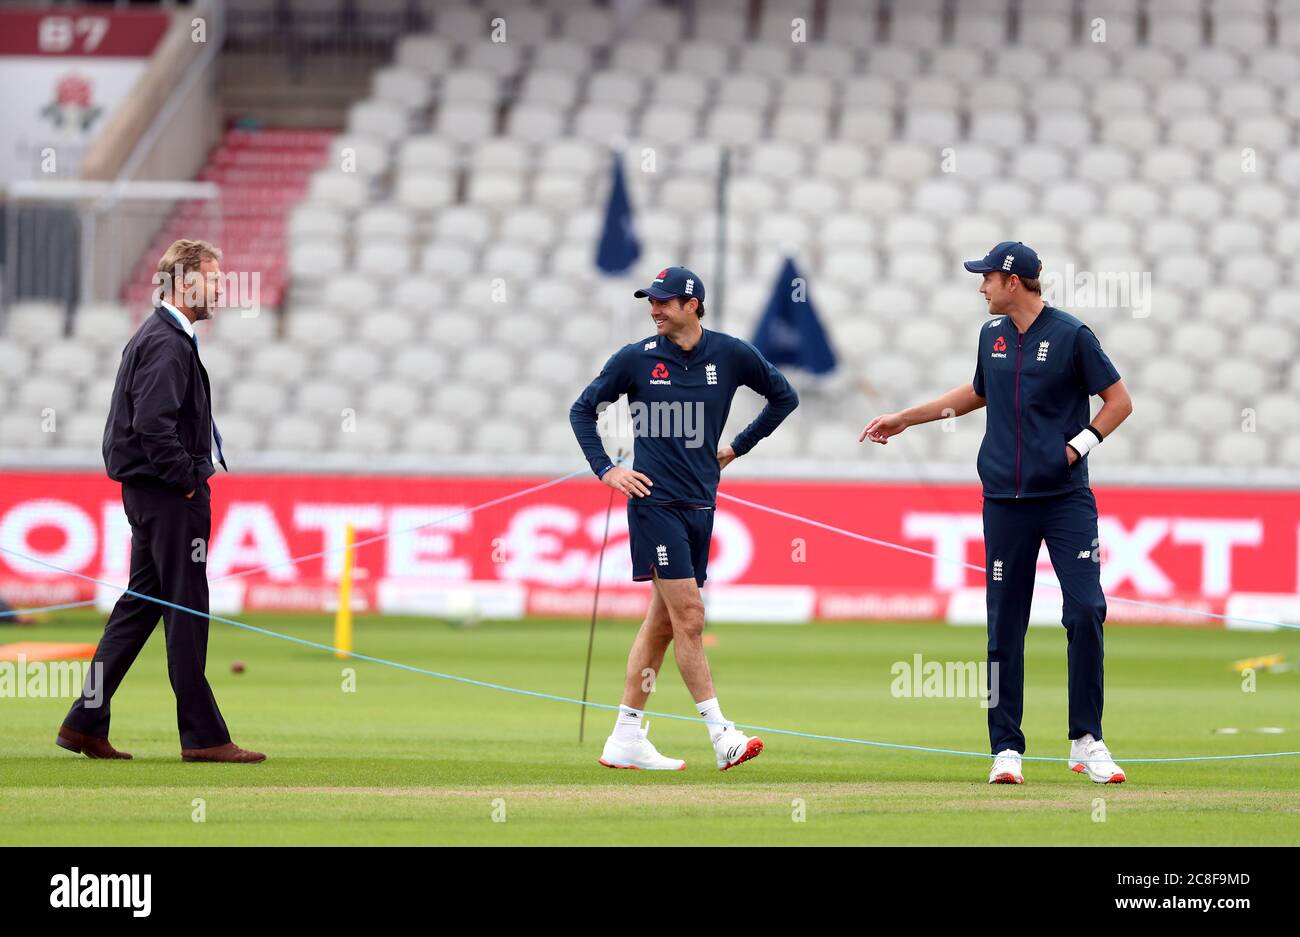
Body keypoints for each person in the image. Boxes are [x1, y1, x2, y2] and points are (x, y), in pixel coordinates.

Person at [861, 241, 1133, 785]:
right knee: (1004, 624)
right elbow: (976, 393)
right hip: (1004, 503)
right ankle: (1006, 748)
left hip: (1064, 500)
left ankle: (1087, 741)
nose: (980, 286)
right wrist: (908, 418)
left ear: (1013, 281)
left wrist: (1078, 446)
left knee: (1085, 610)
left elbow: (1119, 401)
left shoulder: (1072, 336)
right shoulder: (992, 335)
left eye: (986, 277)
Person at [570, 266, 799, 771]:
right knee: (691, 616)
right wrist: (607, 470)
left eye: (664, 302)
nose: (654, 309)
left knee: (662, 625)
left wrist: (737, 447)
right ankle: (722, 736)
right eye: (651, 302)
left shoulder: (732, 353)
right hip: (654, 505)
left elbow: (785, 397)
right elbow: (582, 410)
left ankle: (625, 737)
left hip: (701, 503)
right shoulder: (635, 359)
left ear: (692, 305)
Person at [57, 239, 265, 763]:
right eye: (214, 279)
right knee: (186, 608)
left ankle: (85, 721)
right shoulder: (169, 342)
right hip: (170, 497)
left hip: (151, 494)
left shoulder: (161, 336)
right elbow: (154, 424)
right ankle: (204, 737)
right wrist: (188, 480)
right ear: (185, 282)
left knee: (138, 607)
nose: (221, 288)